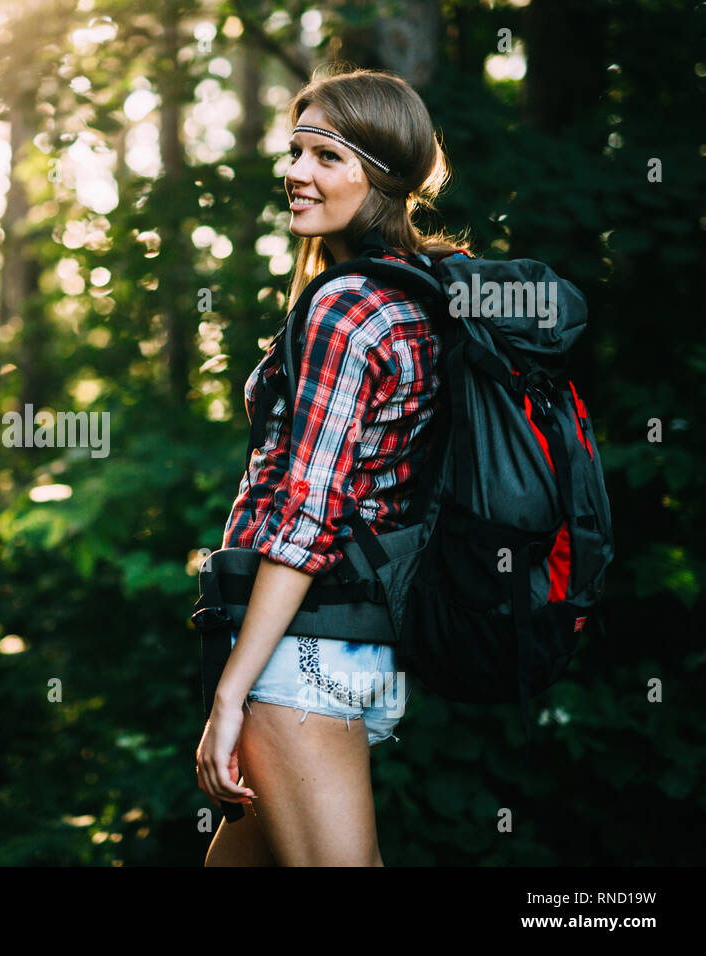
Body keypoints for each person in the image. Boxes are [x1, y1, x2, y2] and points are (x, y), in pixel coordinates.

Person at [196, 65, 473, 866]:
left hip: (303, 655)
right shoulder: (420, 289)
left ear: (377, 175)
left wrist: (229, 690)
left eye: (326, 157)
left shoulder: (346, 304)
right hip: (357, 646)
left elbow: (306, 516)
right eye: (295, 152)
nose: (295, 173)